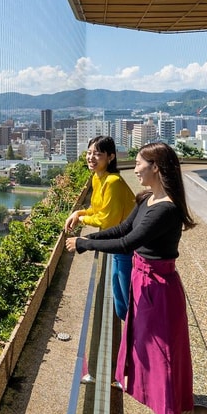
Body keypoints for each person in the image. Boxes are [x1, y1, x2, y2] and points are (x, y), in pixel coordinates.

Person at [64, 142, 207, 414]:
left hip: (158, 290)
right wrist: (88, 238)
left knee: (161, 359)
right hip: (145, 286)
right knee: (155, 357)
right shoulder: (147, 199)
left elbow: (129, 241)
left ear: (156, 167)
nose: (134, 169)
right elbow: (121, 228)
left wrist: (84, 243)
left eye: (139, 163)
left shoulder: (166, 209)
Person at [64, 136, 135, 320]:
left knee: (128, 301)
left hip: (128, 246)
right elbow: (96, 209)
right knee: (120, 299)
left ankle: (136, 343)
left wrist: (82, 221)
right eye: (89, 153)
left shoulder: (113, 182)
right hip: (117, 244)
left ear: (110, 157)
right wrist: (79, 213)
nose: (91, 158)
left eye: (97, 154)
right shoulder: (98, 178)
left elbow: (107, 219)